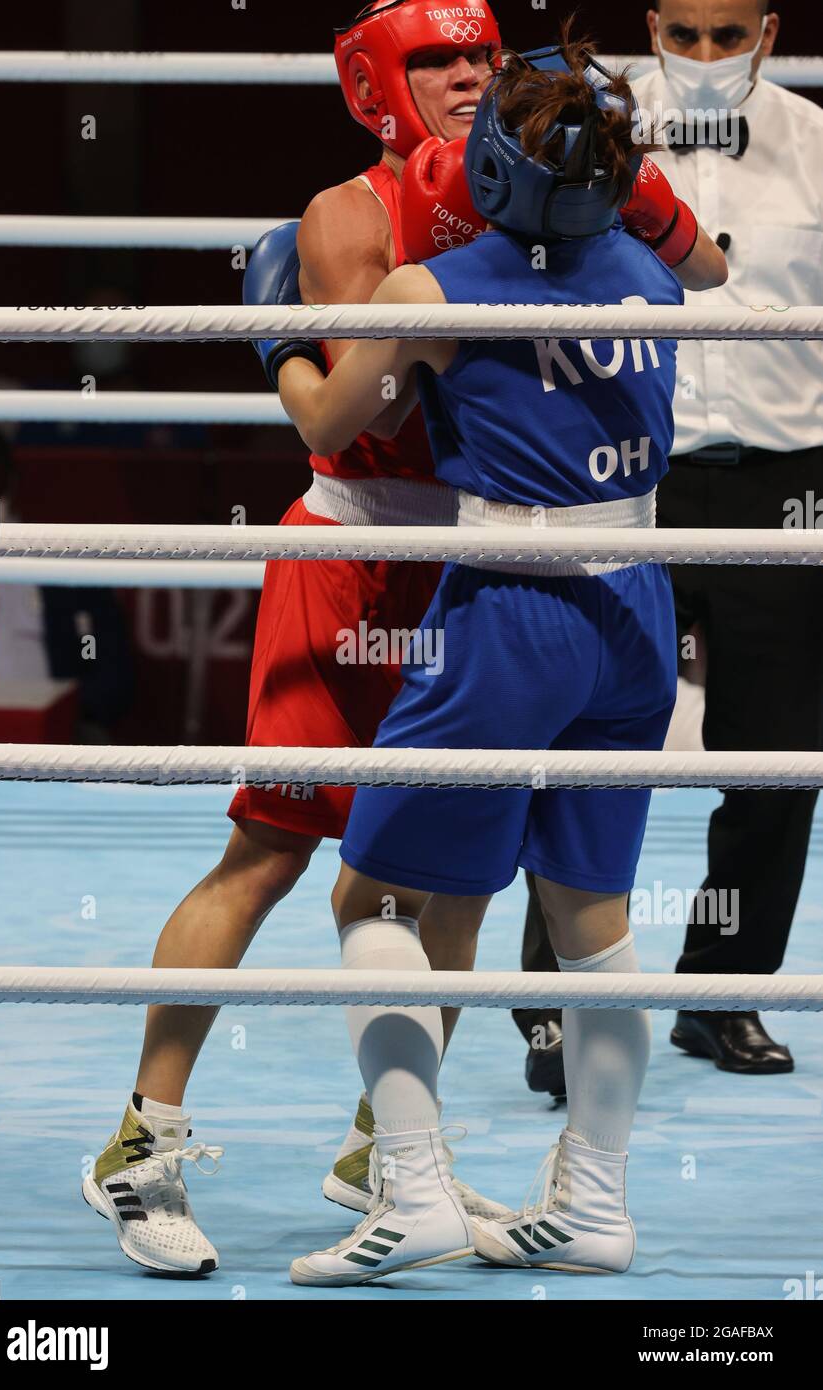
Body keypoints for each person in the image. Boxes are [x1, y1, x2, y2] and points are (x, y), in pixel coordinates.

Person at [273, 29, 728, 1284]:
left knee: (370, 903)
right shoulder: (652, 277)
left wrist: (288, 334)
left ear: (490, 170)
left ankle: (410, 1191)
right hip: (634, 612)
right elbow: (713, 258)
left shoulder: (437, 288)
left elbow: (330, 415)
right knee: (590, 932)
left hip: (507, 613)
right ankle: (591, 1205)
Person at [82, 0, 513, 1278]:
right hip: (354, 559)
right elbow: (341, 422)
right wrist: (375, 319)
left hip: (481, 565)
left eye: (481, 53)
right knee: (266, 852)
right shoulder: (346, 215)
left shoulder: (542, 198)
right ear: (383, 80)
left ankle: (391, 1147)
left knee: (455, 875)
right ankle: (138, 1146)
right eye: (435, 59)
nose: (466, 77)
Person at [518, 0, 823, 1084]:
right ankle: (555, 1006)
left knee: (777, 757)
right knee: (582, 746)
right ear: (649, 26)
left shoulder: (814, 145)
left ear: (766, 30)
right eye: (682, 32)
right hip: (619, 473)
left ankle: (718, 992)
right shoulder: (587, 129)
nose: (701, 55)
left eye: (723, 34)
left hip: (784, 480)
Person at [0, 424, 133, 739]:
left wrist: (67, 715)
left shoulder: (62, 566)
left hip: (36, 738)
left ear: (11, 484)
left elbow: (111, 672)